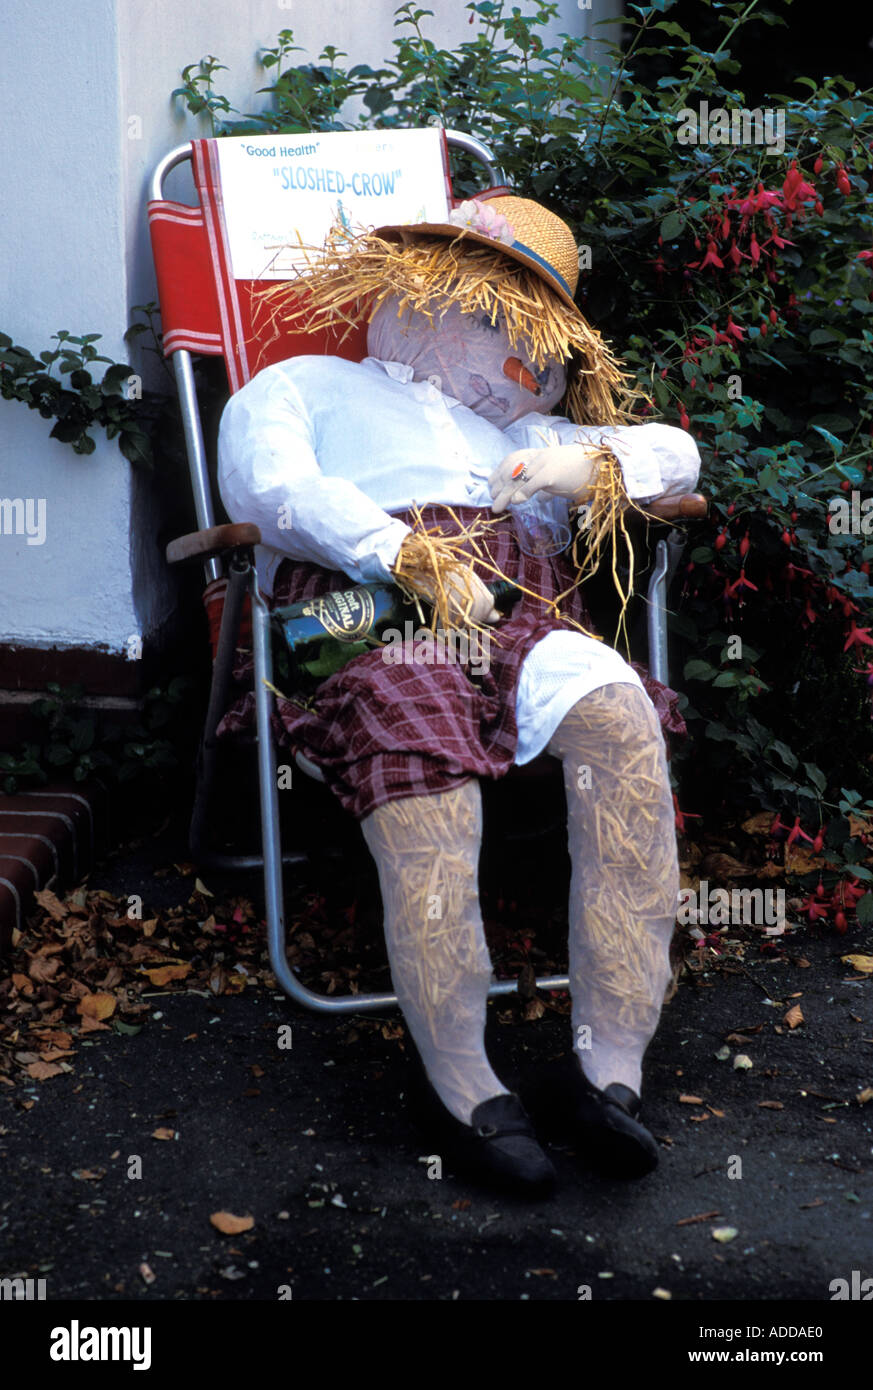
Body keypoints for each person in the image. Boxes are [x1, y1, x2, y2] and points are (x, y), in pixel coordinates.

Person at [218, 194, 701, 1196]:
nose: (495, 344)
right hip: (350, 601)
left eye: (517, 328)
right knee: (425, 768)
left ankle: (608, 1071)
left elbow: (679, 456)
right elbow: (262, 484)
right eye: (481, 311)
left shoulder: (515, 428)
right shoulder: (306, 382)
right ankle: (466, 1082)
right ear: (412, 289)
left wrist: (576, 461)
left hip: (513, 600)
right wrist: (397, 549)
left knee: (622, 729)